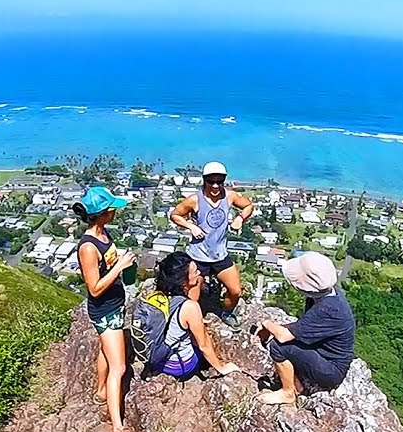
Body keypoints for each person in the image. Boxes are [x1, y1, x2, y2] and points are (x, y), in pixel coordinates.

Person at [74, 186, 140, 432]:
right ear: (102, 214)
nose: (115, 211)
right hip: (105, 310)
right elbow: (94, 287)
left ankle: (101, 391)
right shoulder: (88, 247)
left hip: (115, 304)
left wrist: (122, 264)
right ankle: (118, 428)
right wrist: (121, 267)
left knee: (106, 350)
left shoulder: (104, 235)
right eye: (111, 208)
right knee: (120, 367)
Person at [255, 251, 355, 405]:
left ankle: (288, 393)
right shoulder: (326, 295)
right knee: (287, 342)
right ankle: (297, 385)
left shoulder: (328, 309)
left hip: (331, 369)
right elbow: (302, 328)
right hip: (323, 355)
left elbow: (283, 336)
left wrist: (267, 324)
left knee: (278, 347)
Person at [169, 161, 254, 327]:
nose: (215, 185)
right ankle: (191, 323)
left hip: (220, 255)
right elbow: (175, 215)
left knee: (235, 290)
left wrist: (240, 218)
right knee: (192, 298)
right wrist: (191, 226)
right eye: (211, 181)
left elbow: (248, 205)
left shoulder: (229, 196)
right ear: (204, 180)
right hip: (198, 256)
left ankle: (226, 312)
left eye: (219, 181)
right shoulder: (194, 200)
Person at [152, 252, 243, 379]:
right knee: (207, 338)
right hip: (178, 365)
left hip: (156, 360)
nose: (199, 274)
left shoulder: (156, 296)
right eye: (194, 272)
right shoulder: (190, 307)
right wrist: (222, 368)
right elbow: (203, 345)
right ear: (183, 280)